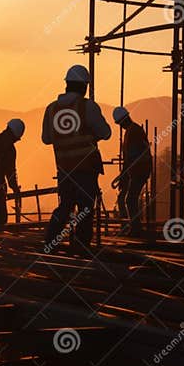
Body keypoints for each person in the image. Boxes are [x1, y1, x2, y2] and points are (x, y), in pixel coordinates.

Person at [42, 65, 111, 253]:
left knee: (65, 206)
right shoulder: (87, 106)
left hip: (64, 169)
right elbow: (106, 133)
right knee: (85, 208)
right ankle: (80, 247)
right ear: (84, 86)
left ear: (67, 84)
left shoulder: (51, 109)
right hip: (86, 169)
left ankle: (50, 243)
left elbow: (46, 138)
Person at [113, 107, 152, 236]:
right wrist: (125, 174)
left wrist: (125, 173)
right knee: (129, 198)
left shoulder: (134, 131)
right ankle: (134, 227)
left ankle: (136, 228)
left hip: (139, 170)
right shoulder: (132, 130)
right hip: (137, 170)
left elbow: (133, 156)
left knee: (130, 199)